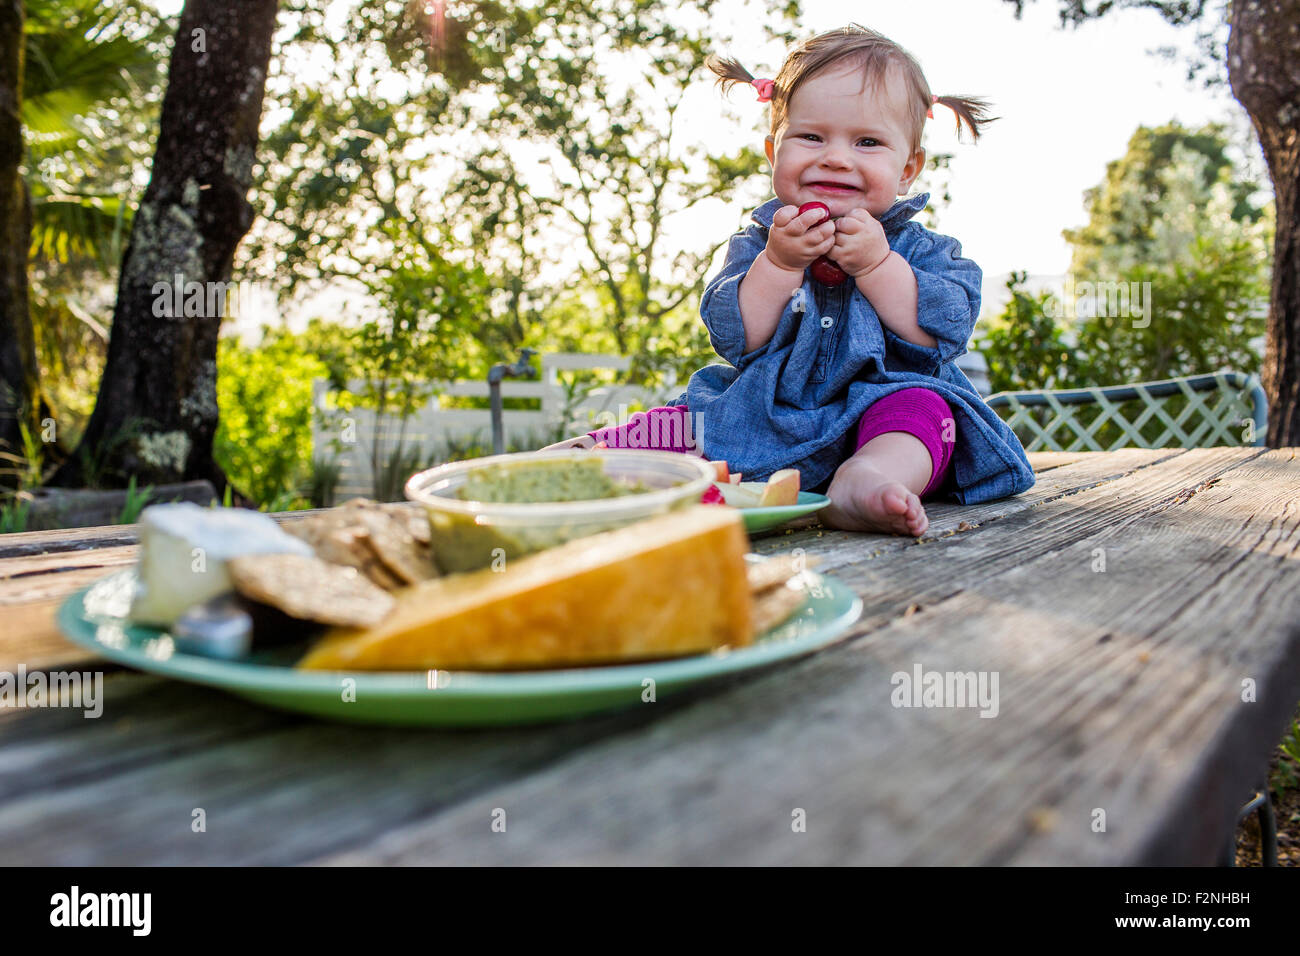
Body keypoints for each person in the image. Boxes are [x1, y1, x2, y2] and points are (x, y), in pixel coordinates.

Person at [543, 24, 1034, 536]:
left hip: (879, 411)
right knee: (689, 420)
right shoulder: (759, 243)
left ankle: (861, 483)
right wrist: (778, 265)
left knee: (927, 413)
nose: (836, 157)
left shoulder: (924, 251)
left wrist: (876, 265)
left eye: (867, 141)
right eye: (812, 136)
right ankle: (582, 460)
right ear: (774, 153)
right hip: (763, 411)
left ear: (908, 168)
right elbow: (738, 339)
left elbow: (938, 333)